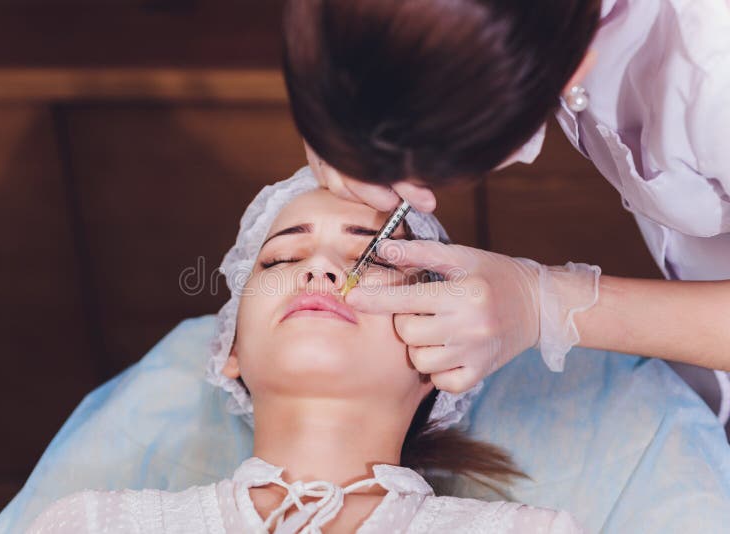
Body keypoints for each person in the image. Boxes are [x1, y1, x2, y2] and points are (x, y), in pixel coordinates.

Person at [26, 174, 583, 533]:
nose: (319, 269)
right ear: (231, 349)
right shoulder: (89, 525)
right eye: (280, 259)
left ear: (441, 352)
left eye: (373, 258)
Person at [282, 0, 730, 422]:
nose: (322, 272)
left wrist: (548, 303)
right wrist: (344, 111)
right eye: (276, 260)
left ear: (573, 73)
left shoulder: (715, 74)